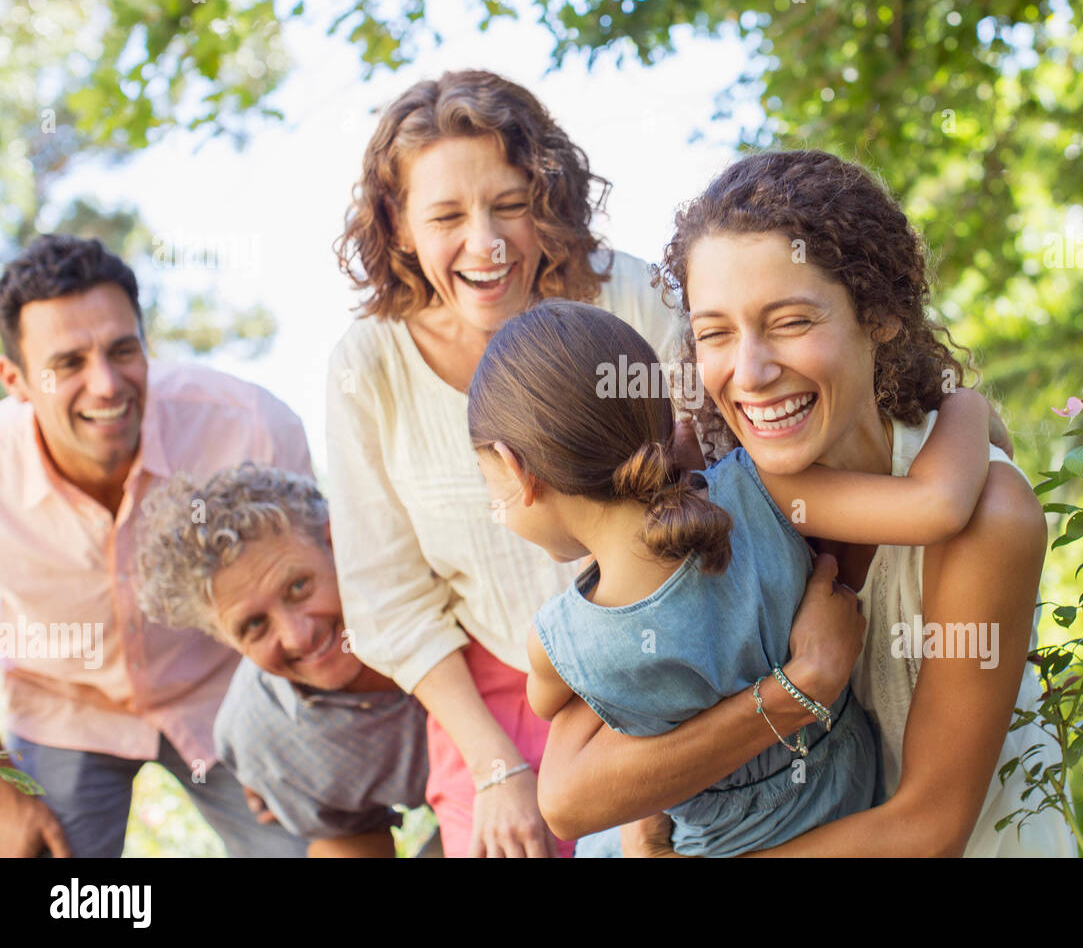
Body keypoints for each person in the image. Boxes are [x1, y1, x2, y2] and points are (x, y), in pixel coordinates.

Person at [536, 150, 1076, 857]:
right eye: (716, 333)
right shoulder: (716, 505)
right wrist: (793, 691)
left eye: (790, 321)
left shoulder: (986, 515)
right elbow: (569, 793)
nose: (751, 373)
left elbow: (929, 829)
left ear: (880, 316)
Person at [467, 299, 997, 856]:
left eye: (489, 483)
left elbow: (548, 705)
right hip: (846, 798)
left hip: (710, 844)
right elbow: (936, 505)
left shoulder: (559, 641)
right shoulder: (758, 491)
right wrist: (965, 406)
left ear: (516, 470)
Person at [325, 69, 695, 858]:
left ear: (548, 199)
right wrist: (497, 767)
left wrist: (647, 737)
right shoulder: (372, 366)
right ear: (398, 227)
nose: (486, 243)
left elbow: (709, 482)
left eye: (510, 205)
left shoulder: (629, 297)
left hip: (668, 644)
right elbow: (387, 598)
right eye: (448, 216)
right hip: (490, 685)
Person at [0, 235, 310, 858]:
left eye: (123, 350)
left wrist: (311, 738)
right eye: (70, 364)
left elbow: (325, 592)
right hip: (62, 708)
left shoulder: (249, 426)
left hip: (229, 693)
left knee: (326, 842)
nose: (107, 385)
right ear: (17, 380)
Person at [134, 463, 435, 858]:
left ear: (332, 541)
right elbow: (349, 838)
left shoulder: (432, 574)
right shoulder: (262, 732)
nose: (298, 636)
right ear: (225, 640)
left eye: (298, 587)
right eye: (254, 625)